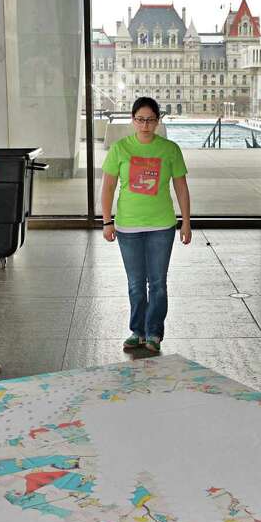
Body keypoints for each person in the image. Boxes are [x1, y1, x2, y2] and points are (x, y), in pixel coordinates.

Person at [100, 97, 192, 353]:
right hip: (127, 226)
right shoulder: (120, 149)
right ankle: (137, 331)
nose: (145, 125)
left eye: (150, 120)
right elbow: (107, 187)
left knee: (158, 283)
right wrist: (107, 221)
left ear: (157, 121)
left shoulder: (170, 149)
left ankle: (154, 333)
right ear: (132, 120)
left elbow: (181, 188)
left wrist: (186, 222)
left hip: (162, 226)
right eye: (140, 119)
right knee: (135, 284)